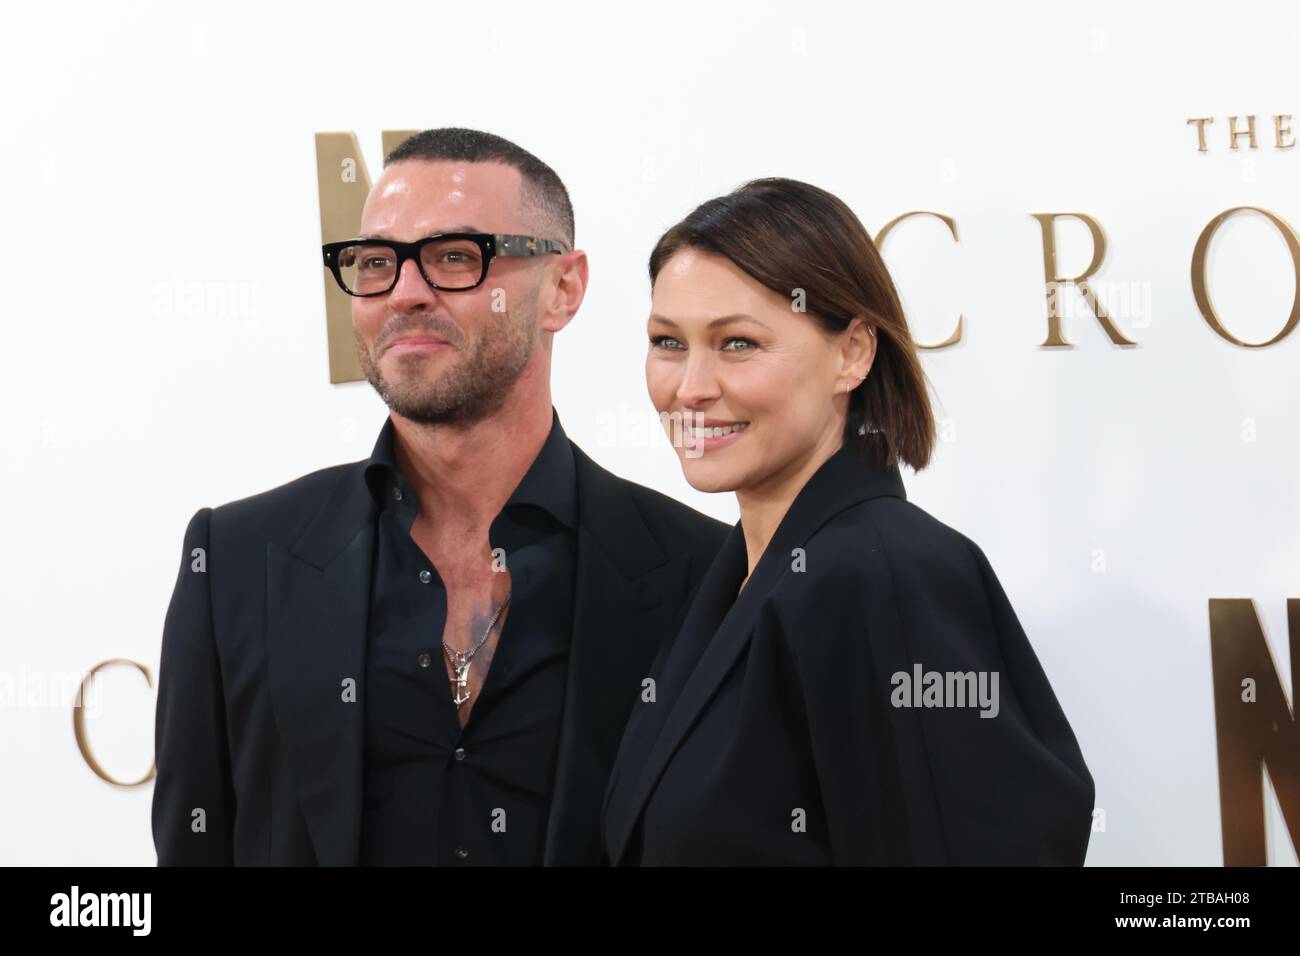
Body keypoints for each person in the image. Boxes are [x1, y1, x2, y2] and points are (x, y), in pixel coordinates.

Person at [152, 128, 728, 866]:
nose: (406, 292)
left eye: (456, 257)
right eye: (376, 262)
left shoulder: (699, 574)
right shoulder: (235, 562)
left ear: (563, 287)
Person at [601, 178, 1095, 865]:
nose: (690, 388)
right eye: (668, 342)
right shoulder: (731, 580)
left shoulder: (884, 574)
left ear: (852, 353)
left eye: (738, 343)